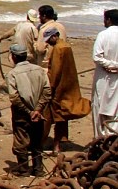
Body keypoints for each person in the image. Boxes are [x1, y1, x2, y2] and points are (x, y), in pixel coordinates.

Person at [6, 44, 52, 176]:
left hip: (22, 114)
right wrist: (38, 110)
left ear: (14, 57)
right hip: (39, 112)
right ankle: (38, 169)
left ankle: (23, 170)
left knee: (21, 142)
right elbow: (47, 91)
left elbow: (14, 98)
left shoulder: (12, 74)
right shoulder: (39, 70)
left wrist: (30, 112)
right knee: (37, 142)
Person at [42, 27, 90, 152]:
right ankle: (58, 143)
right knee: (62, 117)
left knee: (54, 116)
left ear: (54, 36)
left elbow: (56, 71)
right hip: (68, 85)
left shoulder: (58, 49)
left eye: (48, 40)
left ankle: (53, 145)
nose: (47, 43)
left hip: (59, 88)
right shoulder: (66, 46)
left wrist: (50, 87)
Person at [92, 9, 118, 139]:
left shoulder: (103, 34)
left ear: (108, 20)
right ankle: (112, 138)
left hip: (103, 77)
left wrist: (110, 66)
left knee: (98, 106)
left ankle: (101, 138)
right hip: (114, 76)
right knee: (115, 109)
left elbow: (97, 57)